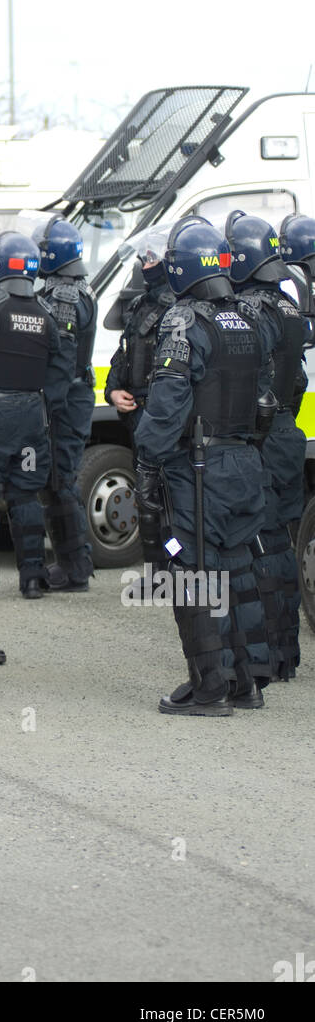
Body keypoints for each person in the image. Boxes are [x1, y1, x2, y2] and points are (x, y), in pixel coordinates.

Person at [134, 217, 274, 715]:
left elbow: (168, 406)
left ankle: (209, 687)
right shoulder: (251, 318)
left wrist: (147, 462)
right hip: (242, 462)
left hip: (197, 468)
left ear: (181, 268)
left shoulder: (184, 322)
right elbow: (266, 399)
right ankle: (248, 681)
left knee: (190, 571)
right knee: (238, 570)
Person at [0, 231, 73, 599]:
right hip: (31, 417)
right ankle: (32, 578)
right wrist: (45, 406)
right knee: (25, 496)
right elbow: (62, 366)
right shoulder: (46, 312)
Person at [227, 211, 307, 680]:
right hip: (286, 433)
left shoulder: (250, 312)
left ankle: (261, 657)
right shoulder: (290, 306)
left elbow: (249, 382)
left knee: (255, 547)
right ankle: (286, 653)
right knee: (280, 544)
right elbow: (294, 379)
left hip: (258, 437)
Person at [26, 215, 97, 591]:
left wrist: (46, 404)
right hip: (69, 395)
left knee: (61, 481)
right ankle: (69, 562)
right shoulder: (72, 288)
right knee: (55, 481)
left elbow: (63, 357)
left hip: (65, 399)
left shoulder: (65, 298)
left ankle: (75, 567)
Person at [104, 227, 176, 581]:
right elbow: (124, 356)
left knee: (171, 501)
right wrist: (112, 391)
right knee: (147, 500)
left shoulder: (180, 308)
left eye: (152, 257)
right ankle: (157, 572)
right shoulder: (139, 304)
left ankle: (177, 570)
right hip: (140, 417)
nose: (146, 264)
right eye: (143, 257)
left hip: (167, 419)